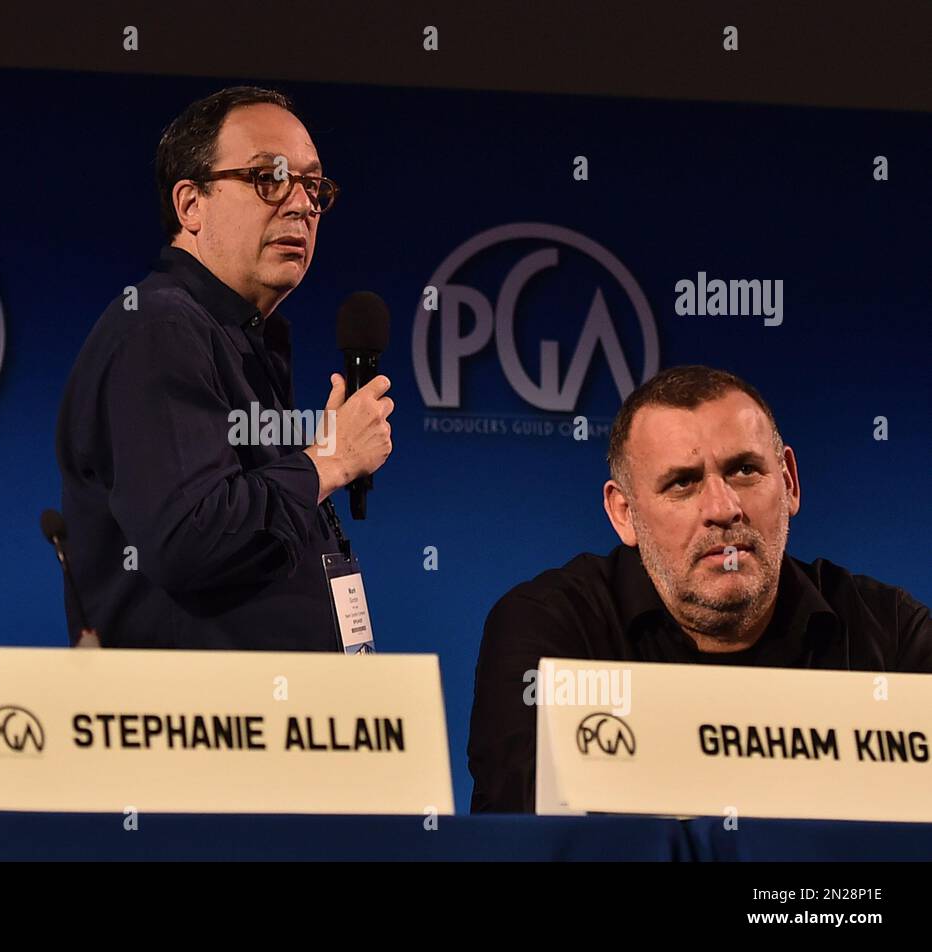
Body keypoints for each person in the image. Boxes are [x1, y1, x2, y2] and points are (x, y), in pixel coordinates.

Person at [468, 365, 932, 812]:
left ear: (789, 482)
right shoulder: (549, 629)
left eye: (745, 470)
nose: (723, 507)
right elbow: (530, 838)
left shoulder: (890, 632)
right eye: (683, 483)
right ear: (624, 513)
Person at [56, 86, 393, 650]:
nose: (300, 205)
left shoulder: (240, 338)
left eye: (312, 186)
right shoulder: (159, 329)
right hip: (191, 724)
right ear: (191, 204)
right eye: (269, 178)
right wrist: (329, 461)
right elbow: (192, 537)